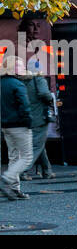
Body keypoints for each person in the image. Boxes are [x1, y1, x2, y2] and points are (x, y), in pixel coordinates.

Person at [1, 71, 33, 199]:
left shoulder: (1, 83)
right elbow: (24, 106)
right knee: (27, 157)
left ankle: (14, 189)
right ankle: (7, 179)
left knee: (14, 156)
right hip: (19, 125)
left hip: (5, 125)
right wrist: (28, 121)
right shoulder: (17, 84)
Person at [21, 71, 55, 179]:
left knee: (40, 143)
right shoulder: (38, 79)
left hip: (27, 116)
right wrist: (50, 99)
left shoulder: (22, 81)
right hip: (39, 117)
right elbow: (45, 94)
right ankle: (23, 171)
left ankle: (47, 171)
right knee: (36, 145)